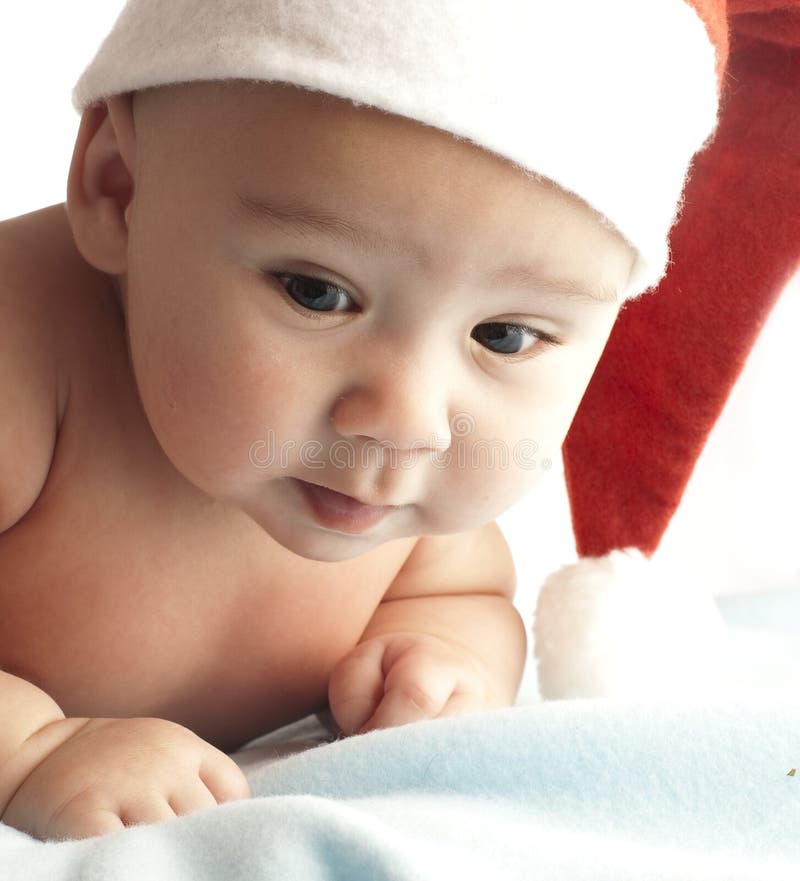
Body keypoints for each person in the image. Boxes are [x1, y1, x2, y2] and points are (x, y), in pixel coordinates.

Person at [0, 0, 724, 843]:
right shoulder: (27, 358)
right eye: (318, 291)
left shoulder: (405, 514)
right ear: (119, 190)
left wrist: (438, 658)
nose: (405, 420)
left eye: (505, 336)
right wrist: (34, 746)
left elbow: (465, 598)